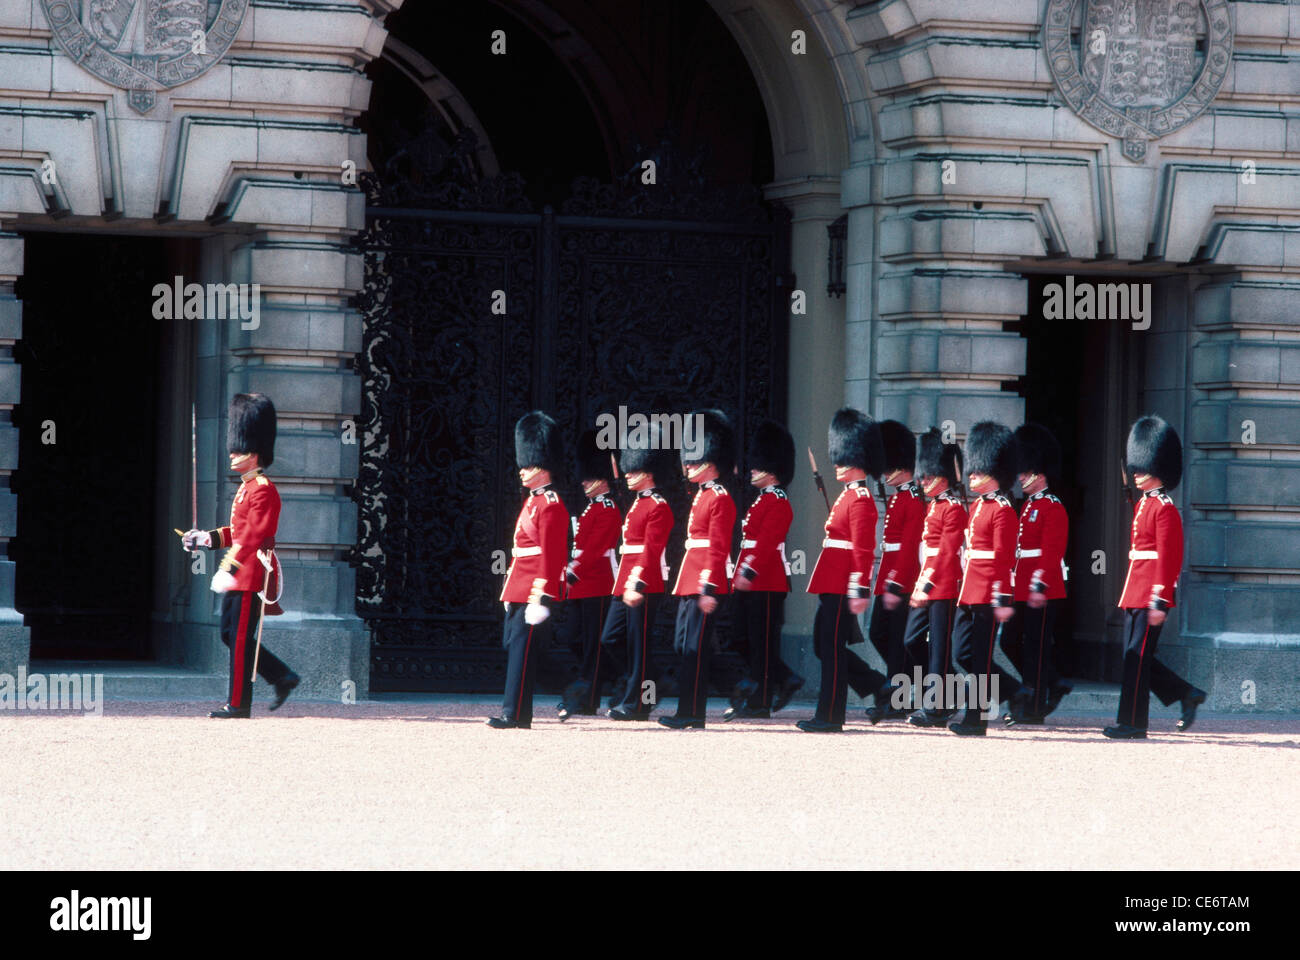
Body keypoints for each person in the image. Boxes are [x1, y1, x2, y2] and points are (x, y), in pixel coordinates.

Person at [182, 393, 299, 718]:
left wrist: (228, 567)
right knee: (229, 636)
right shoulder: (247, 487)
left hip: (251, 574)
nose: (233, 453)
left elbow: (253, 535)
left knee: (238, 636)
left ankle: (238, 704)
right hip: (240, 570)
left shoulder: (262, 488)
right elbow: (237, 531)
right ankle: (281, 676)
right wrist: (206, 538)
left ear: (255, 451)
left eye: (240, 447)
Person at [1104, 415, 1206, 739]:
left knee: (1137, 659)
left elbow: (1169, 556)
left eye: (1141, 467)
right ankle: (1185, 694)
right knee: (1134, 657)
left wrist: (1160, 599)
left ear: (1156, 468)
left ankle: (1132, 724)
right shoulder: (1145, 505)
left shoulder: (1164, 508)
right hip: (1136, 589)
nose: (1135, 473)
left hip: (1151, 593)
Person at [798, 408, 888, 733]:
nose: (836, 462)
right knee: (825, 646)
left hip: (842, 584)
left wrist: (859, 588)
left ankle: (830, 716)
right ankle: (876, 685)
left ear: (858, 457)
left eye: (842, 457)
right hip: (830, 579)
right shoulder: (848, 496)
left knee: (832, 649)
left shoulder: (861, 499)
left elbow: (864, 550)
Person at [488, 411, 568, 729]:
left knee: (521, 648)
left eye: (529, 464)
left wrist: (541, 594)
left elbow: (552, 553)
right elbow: (519, 549)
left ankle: (514, 714)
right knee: (515, 645)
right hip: (519, 584)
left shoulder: (551, 504)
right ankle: (569, 689)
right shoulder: (532, 502)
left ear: (543, 465)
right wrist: (510, 588)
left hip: (534, 587)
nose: (522, 471)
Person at [949, 421, 1028, 736]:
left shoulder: (1004, 510)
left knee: (980, 658)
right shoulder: (978, 506)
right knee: (962, 653)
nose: (971, 475)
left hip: (988, 591)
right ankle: (1011, 690)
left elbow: (1004, 558)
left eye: (977, 471)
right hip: (969, 588)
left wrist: (1001, 597)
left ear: (994, 471)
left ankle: (975, 719)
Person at [661, 411, 737, 729]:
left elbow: (718, 546)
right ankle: (737, 690)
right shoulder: (703, 495)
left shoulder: (719, 498)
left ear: (710, 459)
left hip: (704, 579)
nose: (688, 465)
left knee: (694, 646)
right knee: (684, 644)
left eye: (693, 460)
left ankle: (691, 713)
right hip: (689, 579)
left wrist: (707, 587)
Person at [723, 419, 802, 721]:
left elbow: (768, 543)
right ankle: (785, 678)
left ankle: (759, 701)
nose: (751, 470)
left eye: (757, 466)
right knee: (742, 638)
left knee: (760, 643)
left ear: (772, 469)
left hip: (767, 582)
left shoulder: (779, 501)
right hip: (752, 580)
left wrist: (749, 572)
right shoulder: (761, 500)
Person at [604, 423, 676, 721]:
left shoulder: (658, 506)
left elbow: (651, 549)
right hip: (626, 579)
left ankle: (637, 704)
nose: (628, 474)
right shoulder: (638, 504)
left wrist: (638, 582)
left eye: (633, 470)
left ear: (647, 471)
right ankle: (652, 680)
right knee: (611, 638)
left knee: (639, 646)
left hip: (643, 582)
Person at [1003, 423, 1073, 726]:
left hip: (1043, 588)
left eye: (1025, 471)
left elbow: (1051, 550)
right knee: (1011, 642)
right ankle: (1052, 684)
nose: (1020, 477)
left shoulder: (1052, 507)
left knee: (1036, 647)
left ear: (1038, 473)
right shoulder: (1028, 505)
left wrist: (1038, 584)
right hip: (1022, 585)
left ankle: (1032, 706)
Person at [557, 431, 624, 721]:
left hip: (598, 583)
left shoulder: (608, 508)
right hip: (582, 585)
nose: (583, 481)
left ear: (602, 477)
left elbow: (596, 549)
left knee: (591, 645)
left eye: (589, 475)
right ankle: (615, 677)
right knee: (574, 638)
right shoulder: (591, 508)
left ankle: (585, 699)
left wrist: (571, 571)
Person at [903, 429, 966, 727]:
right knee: (912, 641)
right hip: (927, 582)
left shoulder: (953, 508)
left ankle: (936, 708)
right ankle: (957, 689)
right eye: (923, 475)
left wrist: (925, 584)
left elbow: (946, 552)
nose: (923, 480)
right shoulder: (933, 507)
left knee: (939, 650)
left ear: (944, 474)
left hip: (944, 584)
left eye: (929, 475)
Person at [866, 419, 925, 722]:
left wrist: (895, 583)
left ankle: (896, 698)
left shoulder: (913, 499)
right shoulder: (900, 496)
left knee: (897, 641)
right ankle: (900, 690)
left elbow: (909, 546)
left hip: (902, 580)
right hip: (889, 577)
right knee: (878, 633)